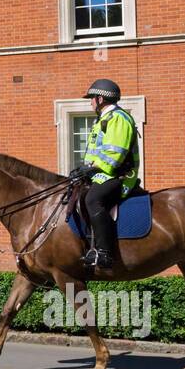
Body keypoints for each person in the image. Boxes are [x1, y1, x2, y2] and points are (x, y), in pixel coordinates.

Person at [69, 78, 140, 273]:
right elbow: (96, 153)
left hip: (119, 176)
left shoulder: (118, 118)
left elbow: (114, 155)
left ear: (100, 99)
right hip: (103, 174)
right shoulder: (103, 120)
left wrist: (92, 169)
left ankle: (105, 252)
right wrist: (84, 169)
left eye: (91, 98)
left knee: (93, 198)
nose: (90, 102)